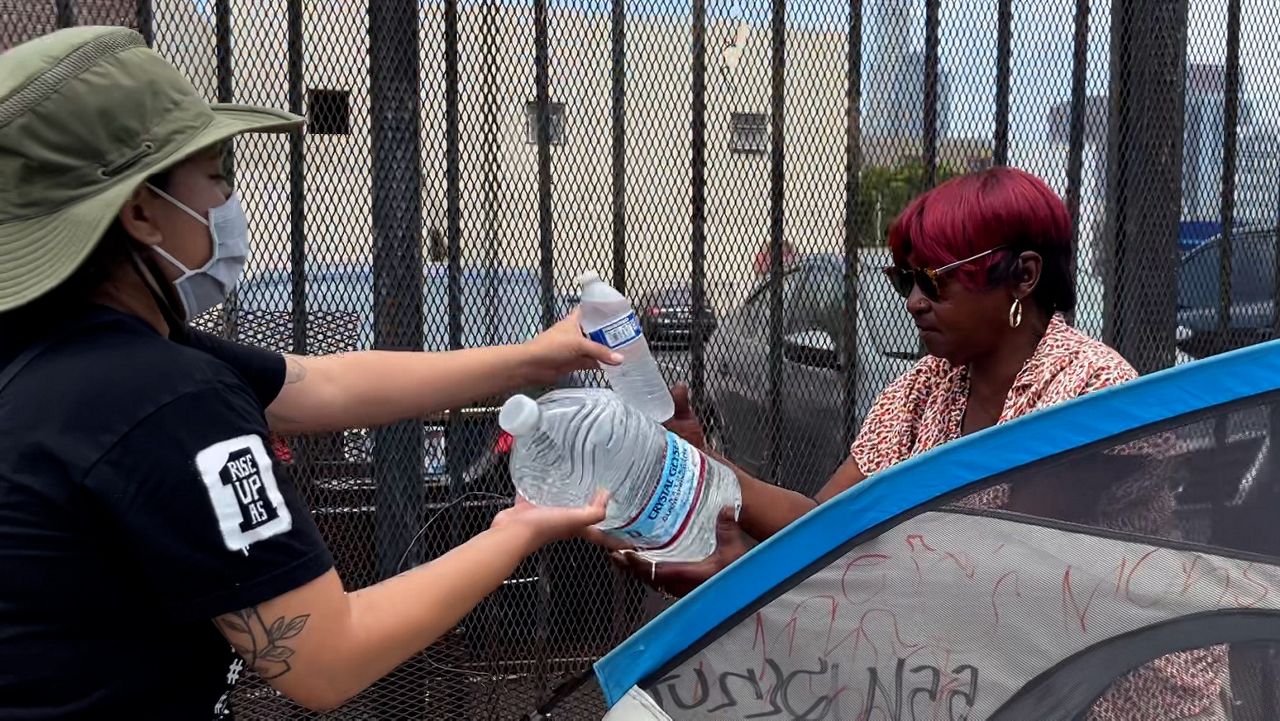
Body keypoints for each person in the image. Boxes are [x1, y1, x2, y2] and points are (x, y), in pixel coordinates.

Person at [0, 27, 617, 718]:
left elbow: (322, 385)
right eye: (214, 177)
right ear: (142, 211)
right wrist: (518, 530)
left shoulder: (60, 356)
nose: (226, 206)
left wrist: (536, 354)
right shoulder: (165, 396)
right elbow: (326, 658)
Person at [592, 167, 1225, 719]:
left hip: (1113, 689)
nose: (915, 303)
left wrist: (761, 587)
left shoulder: (1086, 385)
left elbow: (1002, 583)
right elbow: (826, 521)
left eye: (935, 281)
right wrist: (695, 465)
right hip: (993, 678)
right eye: (905, 282)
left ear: (1023, 276)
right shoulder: (927, 386)